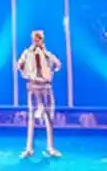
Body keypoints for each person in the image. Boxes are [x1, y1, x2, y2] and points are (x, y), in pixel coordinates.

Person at [17, 30, 62, 158]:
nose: (37, 41)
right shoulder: (27, 53)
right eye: (35, 39)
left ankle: (50, 147)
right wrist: (26, 74)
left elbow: (58, 64)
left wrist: (50, 72)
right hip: (33, 86)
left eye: (39, 39)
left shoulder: (47, 54)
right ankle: (29, 148)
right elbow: (19, 65)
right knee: (31, 116)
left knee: (49, 117)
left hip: (45, 86)